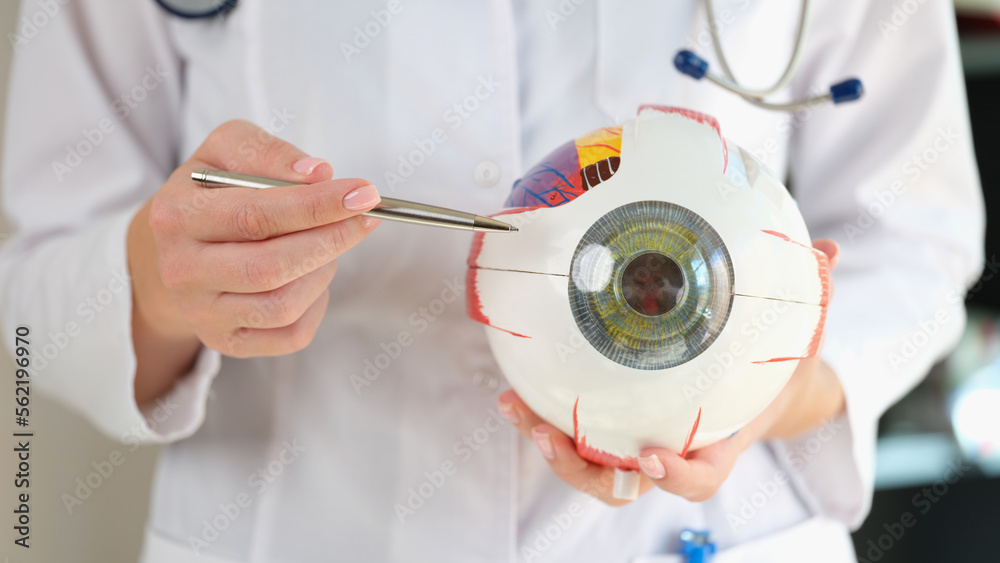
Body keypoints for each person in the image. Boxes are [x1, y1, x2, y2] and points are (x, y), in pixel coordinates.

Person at [0, 0, 984, 561]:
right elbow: (38, 274)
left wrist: (768, 390)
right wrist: (160, 290)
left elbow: (915, 229)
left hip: (697, 531)